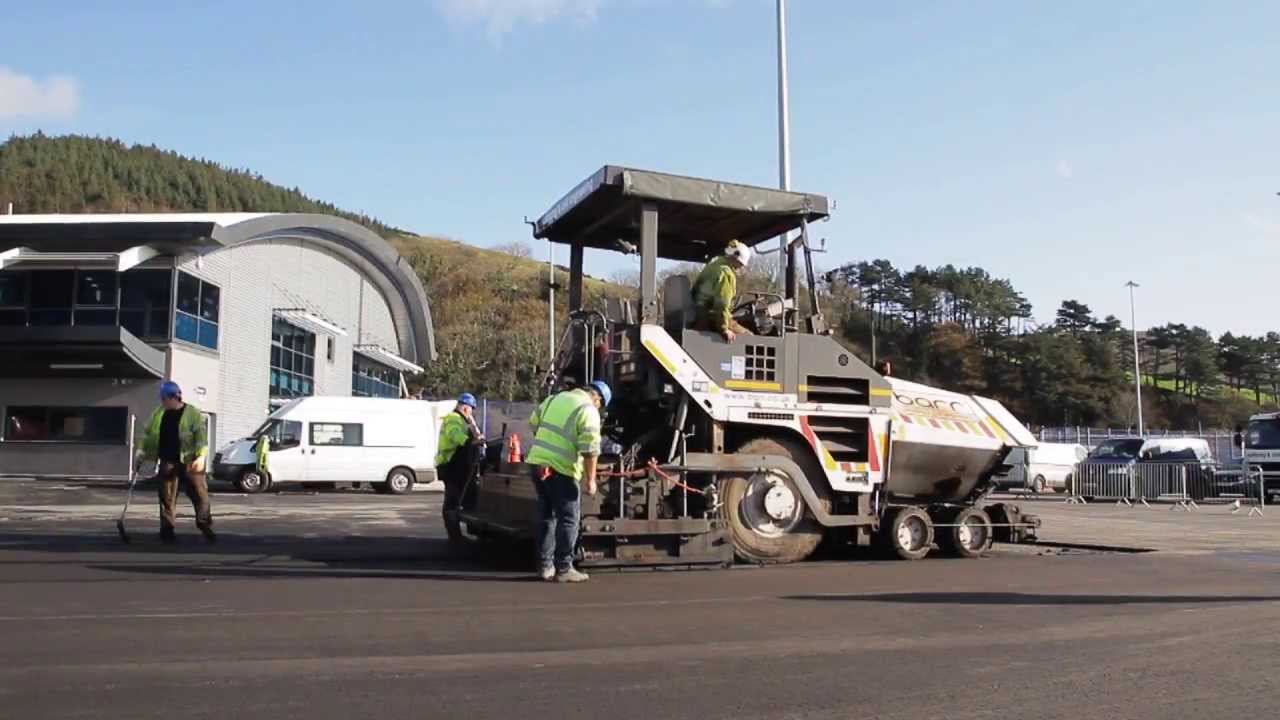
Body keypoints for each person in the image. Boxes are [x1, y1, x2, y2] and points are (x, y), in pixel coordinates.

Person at [526, 380, 610, 583]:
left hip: (537, 464)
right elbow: (590, 449)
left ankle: (545, 567)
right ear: (598, 399)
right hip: (561, 469)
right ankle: (564, 568)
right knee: (569, 518)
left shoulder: (553, 399)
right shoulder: (588, 409)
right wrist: (591, 480)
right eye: (601, 406)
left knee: (547, 516)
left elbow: (533, 423)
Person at [137, 381, 214, 544]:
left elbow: (201, 437)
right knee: (166, 497)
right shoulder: (159, 413)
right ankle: (167, 530)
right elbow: (147, 433)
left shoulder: (192, 413)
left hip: (190, 461)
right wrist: (141, 451)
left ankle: (204, 524)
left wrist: (201, 457)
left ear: (173, 398)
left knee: (200, 494)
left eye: (164, 399)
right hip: (168, 460)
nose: (162, 402)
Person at [436, 393, 484, 541]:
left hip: (457, 466)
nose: (471, 412)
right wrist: (471, 441)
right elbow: (455, 435)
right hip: (450, 465)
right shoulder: (453, 418)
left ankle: (465, 531)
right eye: (471, 409)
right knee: (452, 501)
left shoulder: (461, 420)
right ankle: (454, 536)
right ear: (465, 407)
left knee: (464, 497)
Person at [692, 240, 753, 342]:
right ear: (736, 259)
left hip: (699, 314)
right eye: (741, 264)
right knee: (750, 338)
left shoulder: (713, 266)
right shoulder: (726, 273)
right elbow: (721, 305)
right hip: (711, 317)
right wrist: (724, 329)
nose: (741, 267)